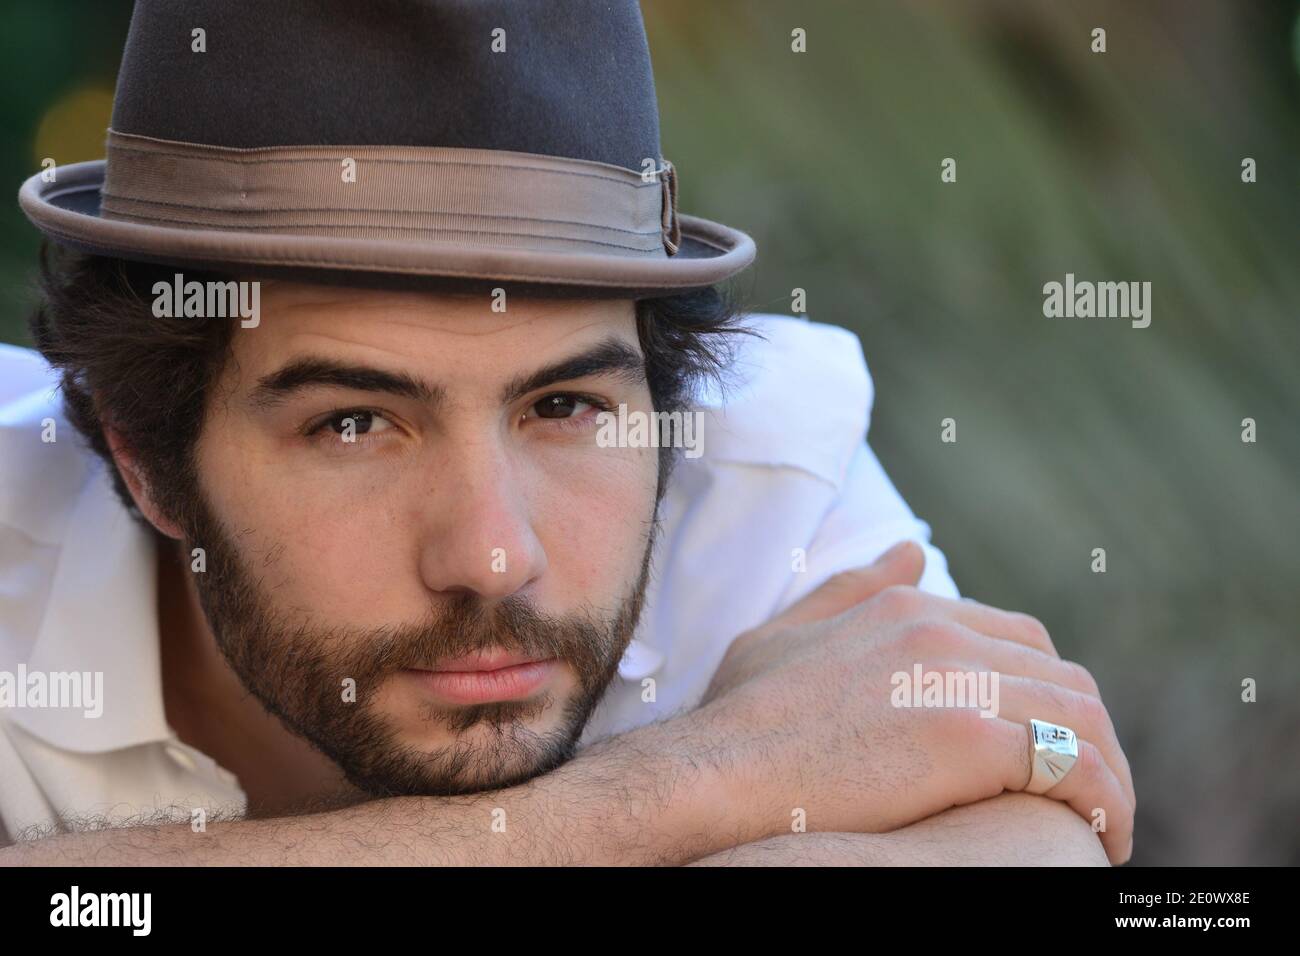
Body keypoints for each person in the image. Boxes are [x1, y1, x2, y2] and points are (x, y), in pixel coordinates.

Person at [0, 0, 1132, 865]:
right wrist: (676, 789)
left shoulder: (761, 468)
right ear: (145, 459)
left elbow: (1031, 836)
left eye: (563, 407)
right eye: (354, 422)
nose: (494, 556)